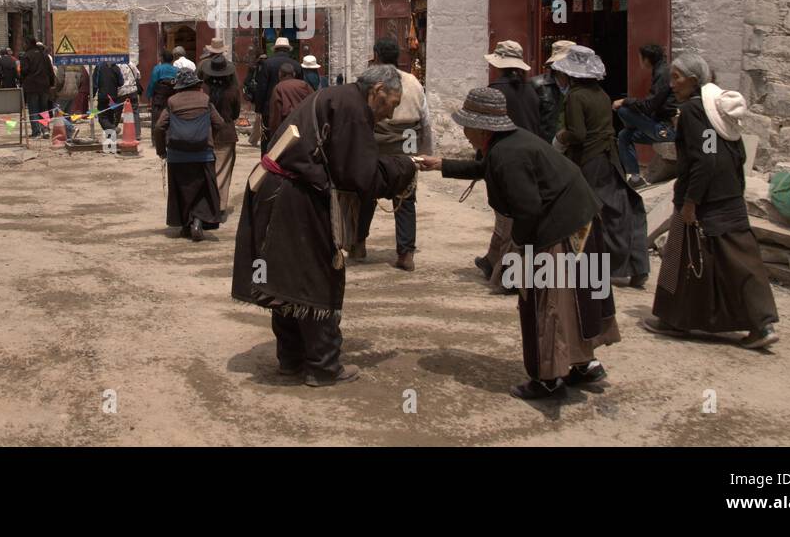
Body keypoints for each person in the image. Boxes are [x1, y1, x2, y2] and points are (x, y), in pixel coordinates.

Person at [418, 88, 620, 400]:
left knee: (546, 303)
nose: (464, 131)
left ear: (482, 128)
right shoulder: (510, 142)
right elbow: (485, 169)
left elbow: (528, 209)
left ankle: (548, 378)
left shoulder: (506, 152)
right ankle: (583, 364)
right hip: (583, 220)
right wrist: (440, 164)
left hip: (559, 229)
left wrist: (521, 254)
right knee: (579, 298)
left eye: (467, 125)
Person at [231, 65, 417, 387]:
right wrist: (405, 167)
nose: (390, 113)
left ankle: (290, 360)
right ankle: (323, 366)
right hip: (294, 198)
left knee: (288, 278)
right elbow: (359, 176)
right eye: (391, 103)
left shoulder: (341, 98)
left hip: (278, 192)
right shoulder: (353, 108)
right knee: (316, 279)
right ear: (377, 92)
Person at [644, 54, 779, 349]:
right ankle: (679, 319)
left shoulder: (694, 112)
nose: (672, 84)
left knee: (689, 256)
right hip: (726, 192)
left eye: (677, 77)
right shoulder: (715, 109)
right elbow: (734, 153)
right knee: (720, 257)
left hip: (706, 198)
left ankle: (755, 323)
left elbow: (704, 159)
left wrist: (692, 201)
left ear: (694, 80)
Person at [553, 45, 649, 288]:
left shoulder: (576, 97)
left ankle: (595, 267)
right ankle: (637, 265)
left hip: (590, 160)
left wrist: (560, 138)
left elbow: (578, 133)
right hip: (610, 157)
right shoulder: (601, 94)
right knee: (622, 207)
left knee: (591, 212)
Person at [353, 37, 433, 272]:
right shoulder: (413, 82)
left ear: (376, 55)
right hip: (407, 149)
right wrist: (425, 152)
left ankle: (358, 243)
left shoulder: (369, 82)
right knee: (406, 199)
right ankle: (406, 253)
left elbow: (358, 116)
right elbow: (425, 120)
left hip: (376, 146)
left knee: (366, 195)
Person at [153, 69, 225, 242]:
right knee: (203, 190)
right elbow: (220, 123)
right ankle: (198, 220)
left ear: (179, 86)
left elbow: (159, 127)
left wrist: (162, 150)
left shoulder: (172, 101)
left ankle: (185, 225)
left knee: (181, 191)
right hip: (203, 155)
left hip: (177, 156)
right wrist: (210, 140)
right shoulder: (205, 100)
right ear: (196, 84)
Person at [614, 44, 679, 189]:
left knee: (623, 111)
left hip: (666, 129)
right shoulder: (660, 72)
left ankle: (632, 125)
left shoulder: (663, 73)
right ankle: (635, 178)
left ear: (647, 59)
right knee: (625, 135)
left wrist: (626, 101)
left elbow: (649, 106)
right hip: (659, 125)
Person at [202, 52, 240, 212]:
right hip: (226, 134)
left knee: (207, 170)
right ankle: (220, 205)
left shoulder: (203, 90)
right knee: (223, 172)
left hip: (206, 133)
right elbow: (236, 113)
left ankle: (208, 203)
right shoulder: (233, 90)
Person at [251, 36, 301, 146]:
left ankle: (267, 161)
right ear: (288, 49)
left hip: (270, 109)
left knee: (268, 139)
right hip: (292, 109)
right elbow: (300, 87)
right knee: (289, 140)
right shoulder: (297, 65)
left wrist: (259, 109)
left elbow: (262, 88)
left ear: (275, 49)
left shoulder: (267, 64)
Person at [530, 39, 574, 142]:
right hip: (546, 145)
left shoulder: (578, 86)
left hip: (571, 147)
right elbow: (530, 121)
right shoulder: (537, 85)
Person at [266, 64, 313, 141]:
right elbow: (313, 101)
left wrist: (274, 134)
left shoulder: (279, 87)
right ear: (294, 74)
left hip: (287, 127)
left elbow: (276, 114)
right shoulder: (304, 84)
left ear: (280, 74)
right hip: (305, 125)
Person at [20, 41, 57, 137]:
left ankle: (36, 131)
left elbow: (23, 71)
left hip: (31, 87)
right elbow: (50, 71)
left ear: (28, 44)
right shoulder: (45, 56)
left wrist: (23, 82)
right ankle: (45, 130)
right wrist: (51, 84)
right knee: (44, 109)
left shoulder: (26, 56)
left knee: (33, 109)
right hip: (44, 86)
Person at [146, 49, 179, 132]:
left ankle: (155, 140)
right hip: (173, 98)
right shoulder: (177, 70)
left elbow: (152, 84)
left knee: (157, 120)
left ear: (162, 59)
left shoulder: (157, 69)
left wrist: (149, 97)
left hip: (159, 99)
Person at [91, 60, 124, 132]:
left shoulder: (99, 66)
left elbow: (95, 84)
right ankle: (111, 141)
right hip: (113, 97)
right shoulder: (116, 67)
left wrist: (92, 95)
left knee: (102, 117)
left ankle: (112, 128)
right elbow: (121, 82)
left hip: (103, 96)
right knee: (110, 118)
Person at [115, 58, 142, 139]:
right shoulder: (130, 63)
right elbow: (138, 75)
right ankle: (137, 134)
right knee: (135, 111)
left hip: (121, 91)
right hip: (132, 90)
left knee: (117, 111)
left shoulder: (115, 65)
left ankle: (113, 128)